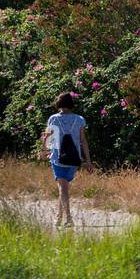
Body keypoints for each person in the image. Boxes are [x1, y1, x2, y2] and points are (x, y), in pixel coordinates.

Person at [43, 93, 91, 228]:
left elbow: (48, 137)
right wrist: (88, 161)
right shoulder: (79, 119)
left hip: (58, 158)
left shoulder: (53, 119)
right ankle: (58, 218)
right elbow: (83, 141)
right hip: (74, 159)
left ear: (59, 103)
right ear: (71, 104)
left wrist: (44, 151)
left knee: (63, 189)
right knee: (63, 187)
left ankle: (68, 218)